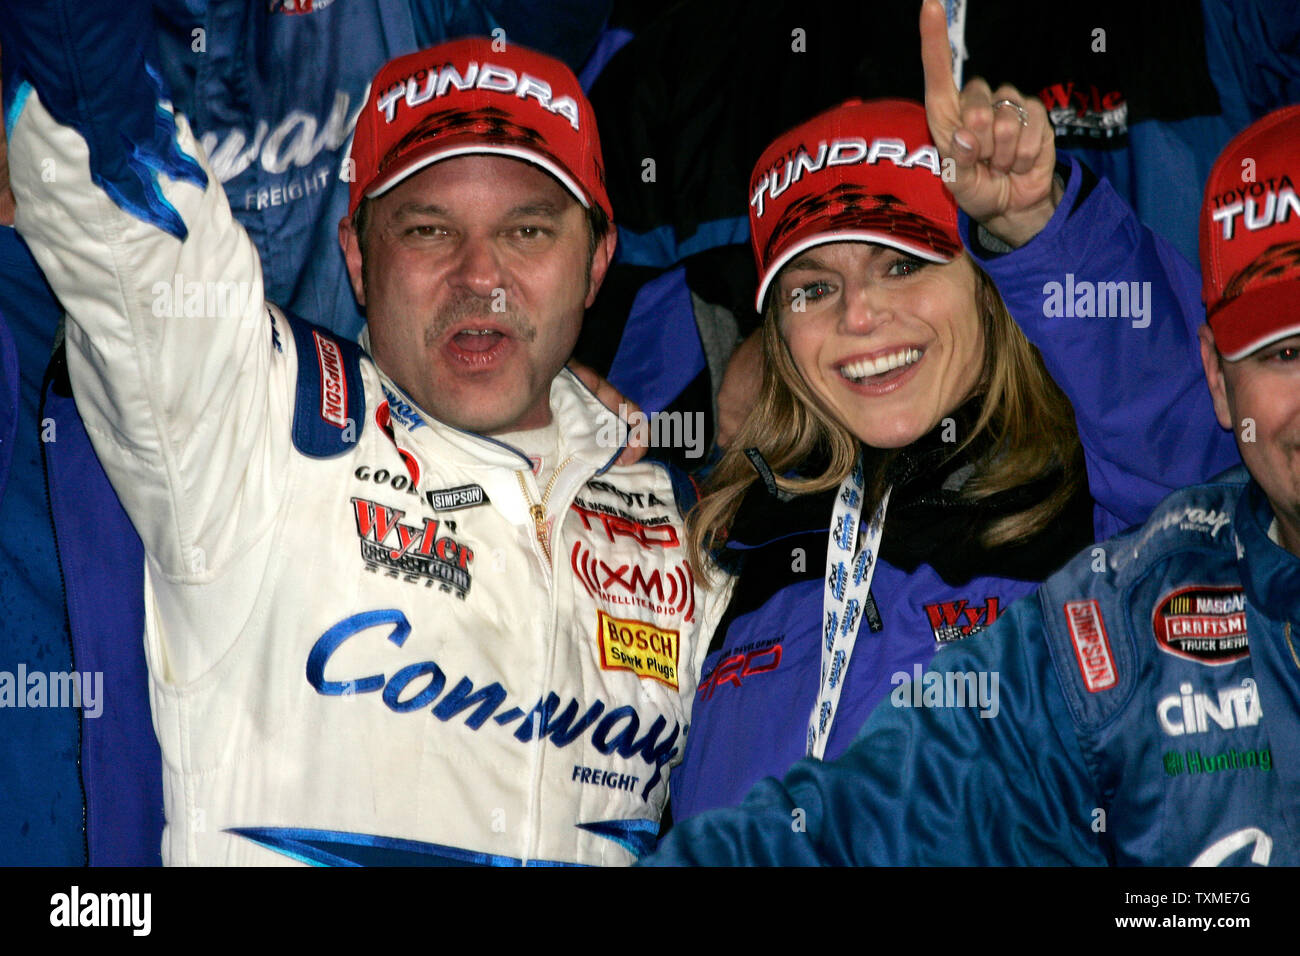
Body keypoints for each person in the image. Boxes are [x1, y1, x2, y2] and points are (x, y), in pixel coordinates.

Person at [4, 2, 725, 865]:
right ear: (357, 254)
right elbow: (97, 132)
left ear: (597, 263)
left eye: (528, 230)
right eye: (427, 229)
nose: (481, 276)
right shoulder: (252, 415)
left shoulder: (682, 523)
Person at [644, 102, 1300, 867]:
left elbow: (1177, 413)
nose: (861, 314)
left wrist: (1042, 230)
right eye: (814, 289)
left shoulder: (1102, 501)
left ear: (988, 282)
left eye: (903, 264)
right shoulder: (725, 528)